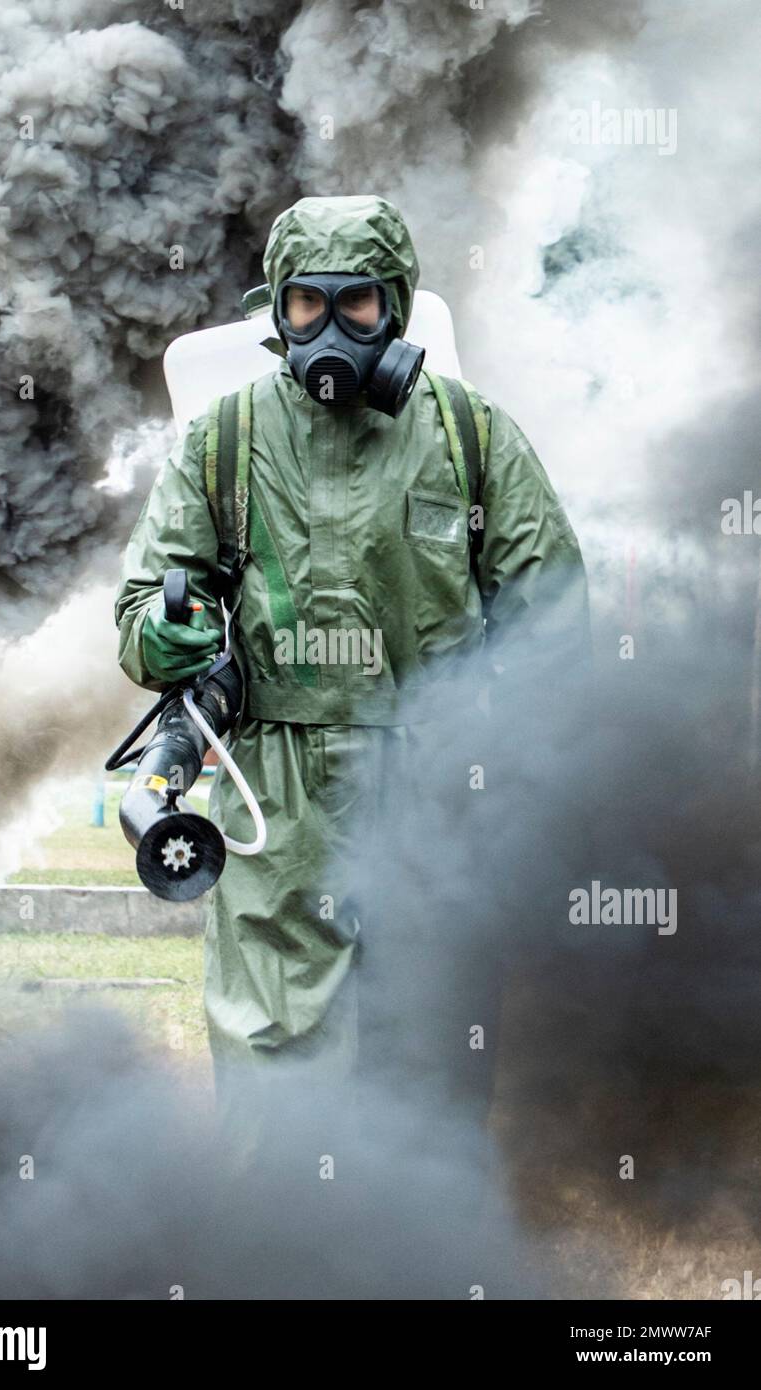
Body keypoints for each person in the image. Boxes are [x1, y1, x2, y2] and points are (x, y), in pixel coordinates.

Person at [115, 195, 589, 1164]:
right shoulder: (224, 439)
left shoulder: (469, 434)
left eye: (357, 306)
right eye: (304, 308)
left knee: (430, 1050)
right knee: (272, 1051)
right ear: (275, 310)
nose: (328, 331)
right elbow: (141, 622)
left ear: (398, 306)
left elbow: (552, 612)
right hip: (276, 794)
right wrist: (173, 629)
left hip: (435, 780)